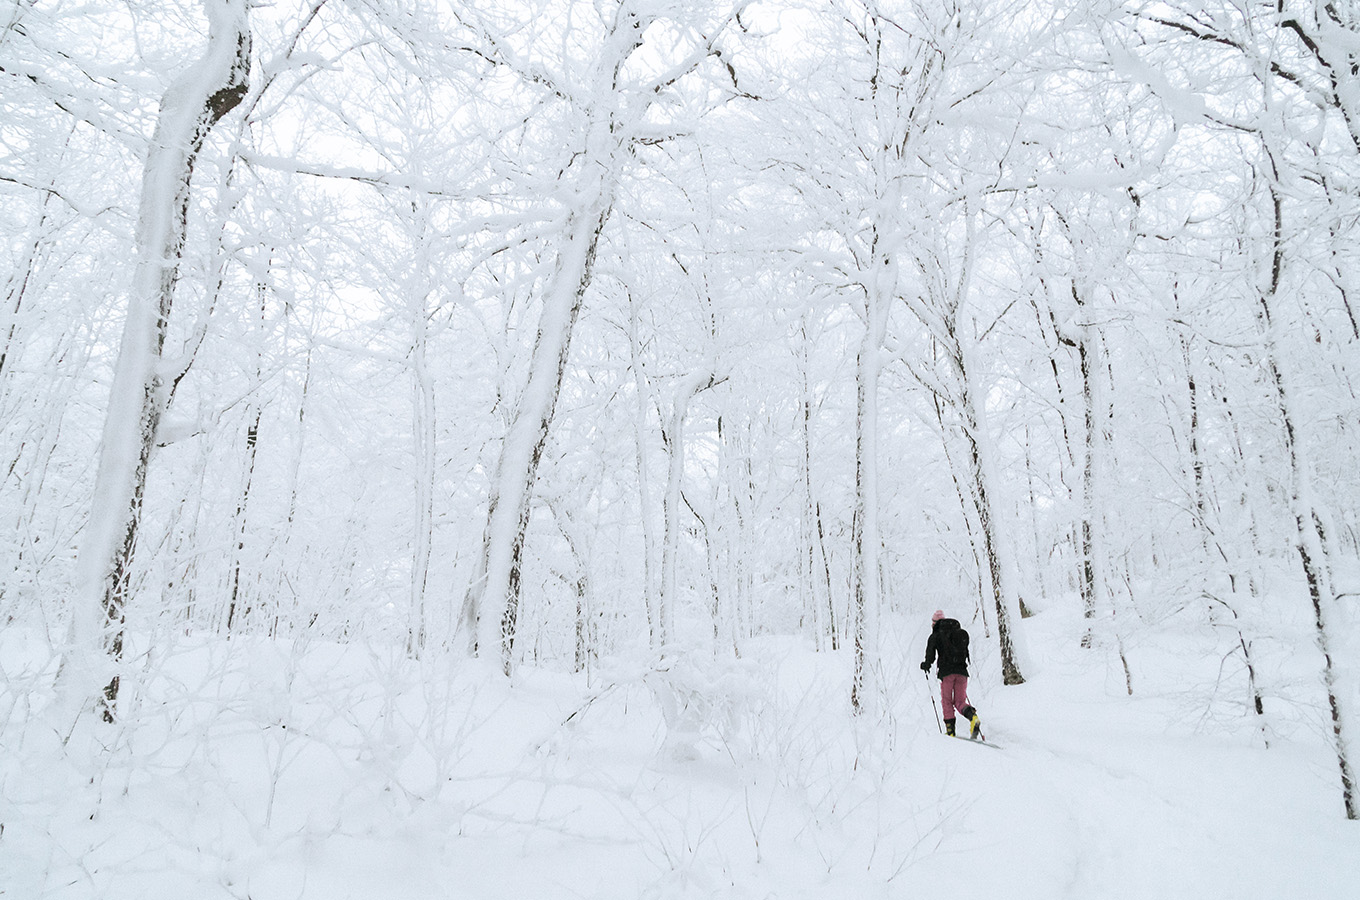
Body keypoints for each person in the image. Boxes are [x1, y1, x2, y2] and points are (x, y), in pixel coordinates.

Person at [921, 609, 982, 739]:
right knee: (960, 701)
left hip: (947, 673)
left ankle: (950, 732)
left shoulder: (936, 635)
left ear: (935, 623)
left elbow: (930, 655)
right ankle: (973, 717)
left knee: (947, 702)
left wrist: (926, 664)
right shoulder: (957, 632)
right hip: (962, 672)